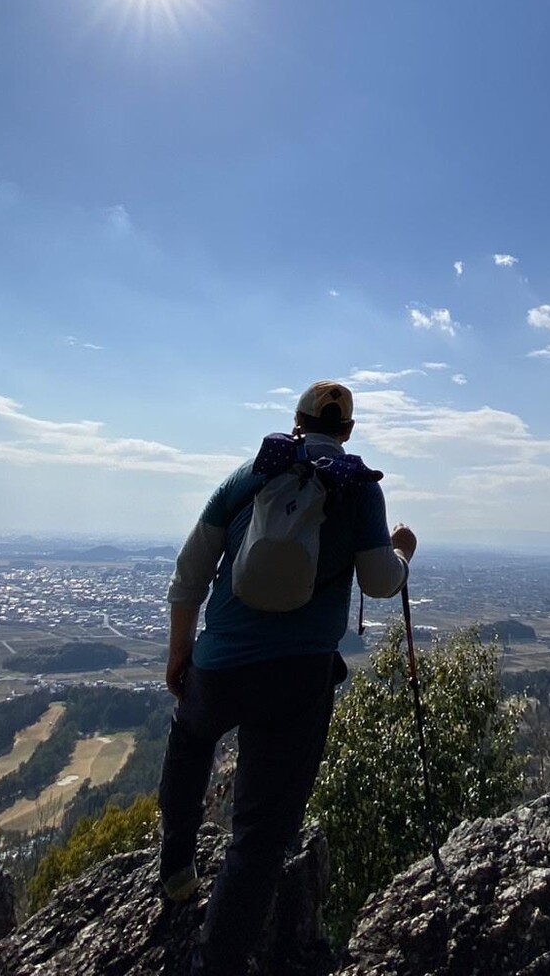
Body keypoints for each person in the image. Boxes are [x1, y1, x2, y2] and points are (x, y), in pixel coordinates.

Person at [157, 380, 416, 976]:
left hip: (219, 663)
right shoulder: (358, 487)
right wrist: (402, 552)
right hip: (298, 680)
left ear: (296, 422)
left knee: (191, 740)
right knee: (260, 835)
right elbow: (380, 582)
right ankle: (214, 963)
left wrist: (180, 654)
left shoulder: (251, 474)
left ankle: (175, 870)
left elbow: (191, 570)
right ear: (347, 432)